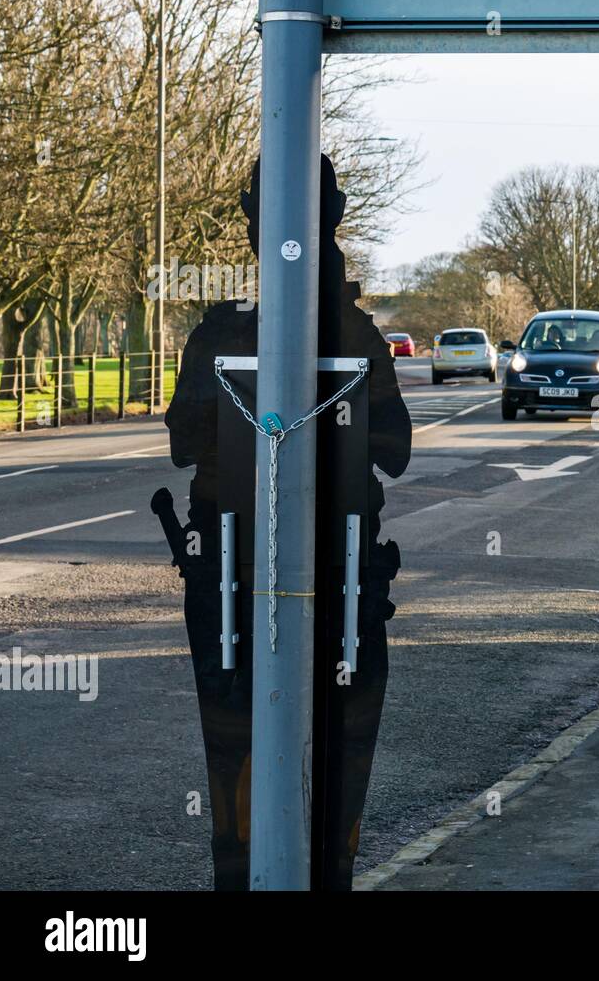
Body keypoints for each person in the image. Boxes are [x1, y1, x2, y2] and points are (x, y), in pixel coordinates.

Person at [155, 153, 411, 890]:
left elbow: (183, 441)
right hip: (324, 576)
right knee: (335, 759)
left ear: (250, 226)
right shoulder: (355, 334)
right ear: (334, 217)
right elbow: (393, 450)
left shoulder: (223, 335)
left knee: (239, 758)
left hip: (251, 576)